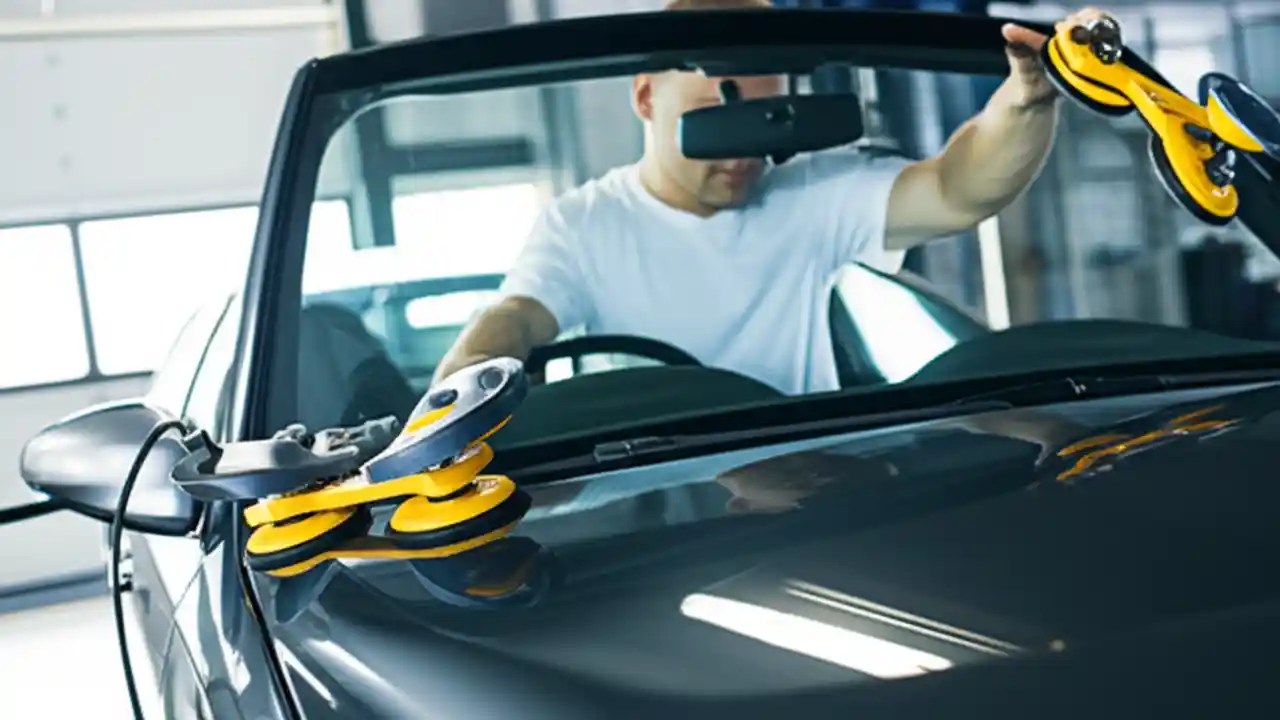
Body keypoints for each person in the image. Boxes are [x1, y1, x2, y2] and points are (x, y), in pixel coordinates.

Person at [436, 0, 1100, 395]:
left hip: (806, 488)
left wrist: (1027, 98)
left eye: (764, 116)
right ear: (645, 97)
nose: (743, 151)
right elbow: (517, 319)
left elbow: (960, 190)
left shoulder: (811, 194)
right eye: (713, 117)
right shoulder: (583, 227)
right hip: (650, 510)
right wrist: (457, 391)